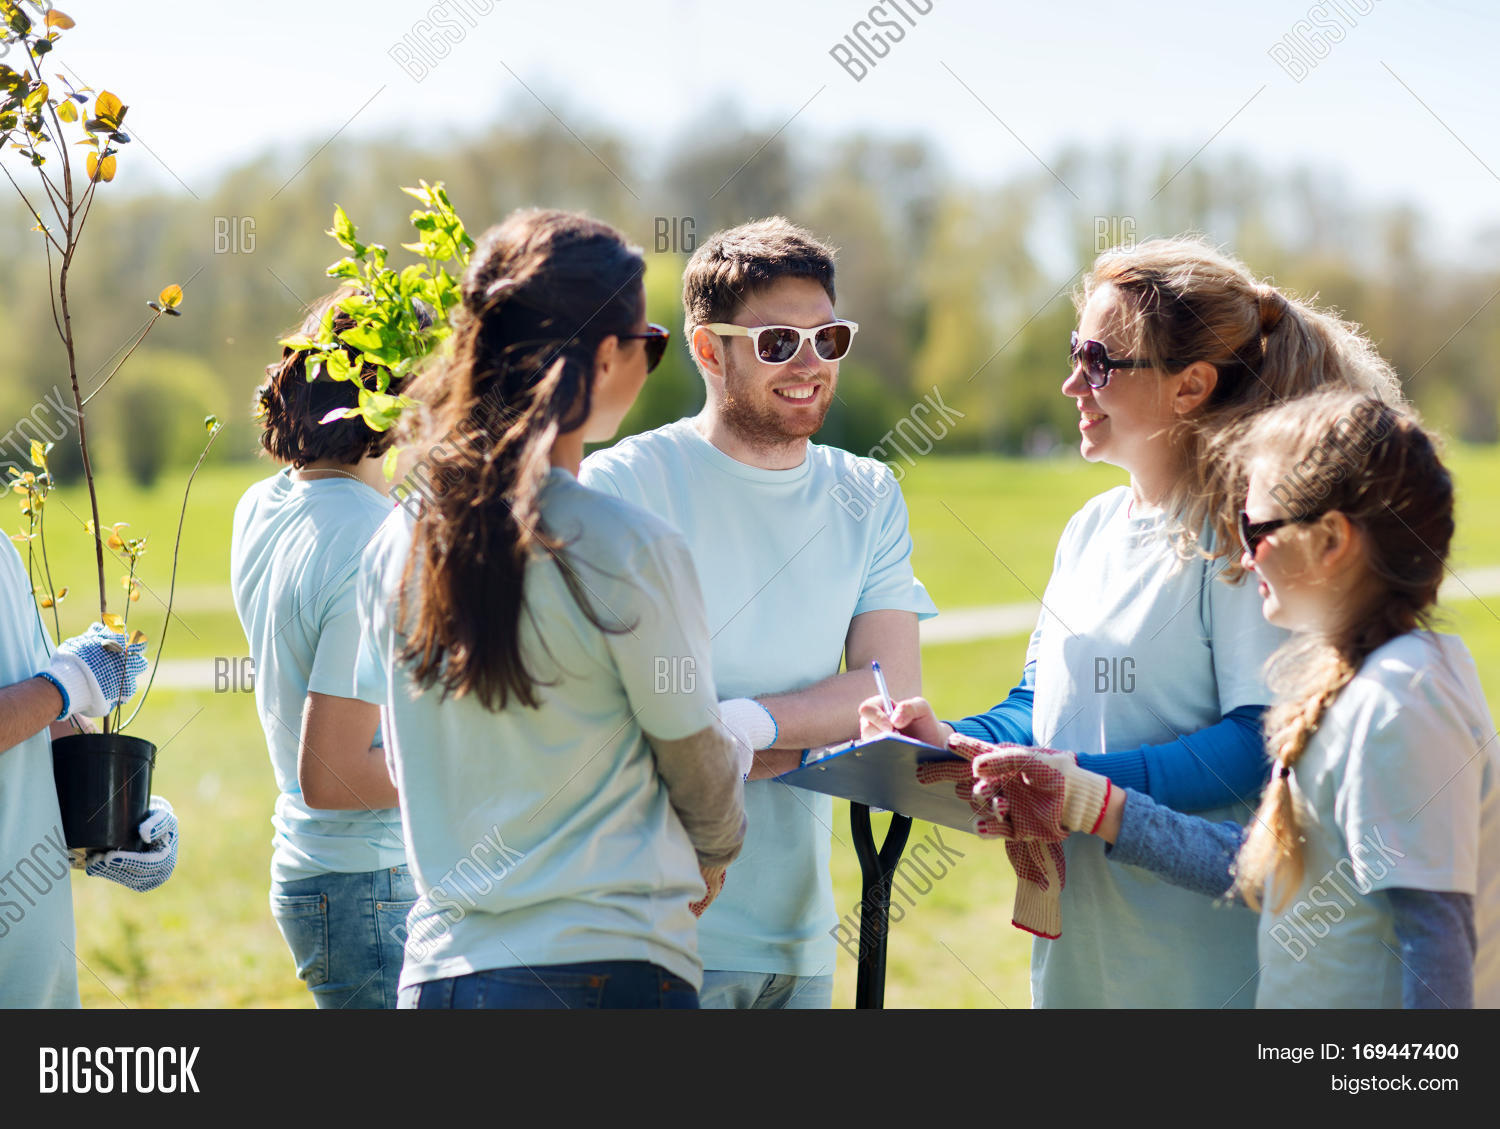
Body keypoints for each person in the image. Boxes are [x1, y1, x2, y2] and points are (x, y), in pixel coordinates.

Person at [863, 235, 1400, 1007]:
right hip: (1083, 953)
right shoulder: (1089, 526)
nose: (1071, 382)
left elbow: (1260, 738)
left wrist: (1080, 788)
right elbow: (1038, 702)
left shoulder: (1244, 532)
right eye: (1075, 352)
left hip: (1202, 963)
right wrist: (954, 741)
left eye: (1099, 361)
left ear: (1190, 387)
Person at [949, 390, 1497, 1008]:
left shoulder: (1401, 700)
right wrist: (1087, 800)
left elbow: (1438, 946)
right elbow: (1262, 871)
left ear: (1331, 541)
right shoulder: (1353, 688)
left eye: (1256, 528)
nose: (1240, 552)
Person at [356, 208, 746, 1010]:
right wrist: (717, 845)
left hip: (439, 974)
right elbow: (694, 754)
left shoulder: (395, 542)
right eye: (650, 341)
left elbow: (400, 763)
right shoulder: (627, 543)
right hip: (606, 967)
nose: (648, 360)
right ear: (606, 357)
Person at [580, 216, 938, 1009]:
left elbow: (889, 695)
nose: (810, 365)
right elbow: (605, 720)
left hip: (799, 936)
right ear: (710, 350)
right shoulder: (623, 484)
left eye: (829, 339)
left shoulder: (867, 493)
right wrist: (802, 732)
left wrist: (741, 727)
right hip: (651, 934)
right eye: (778, 342)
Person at [230, 292, 415, 1008]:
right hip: (368, 886)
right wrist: (477, 763)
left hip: (319, 878)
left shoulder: (265, 501)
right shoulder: (375, 540)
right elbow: (333, 774)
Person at [0, 546, 175, 1008]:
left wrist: (116, 820)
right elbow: (52, 693)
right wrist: (67, 684)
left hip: (36, 978)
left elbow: (36, 717)